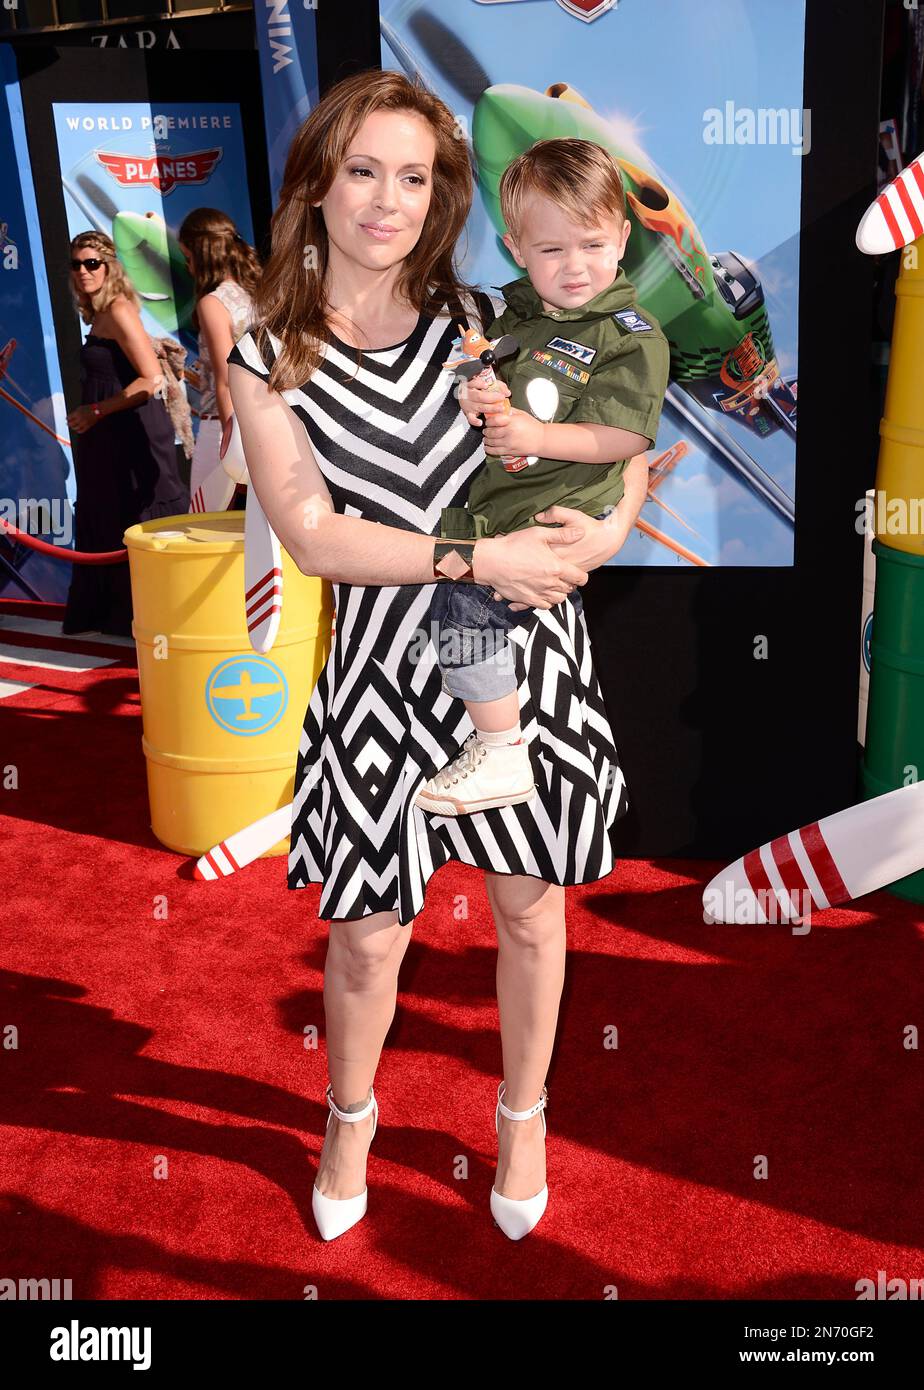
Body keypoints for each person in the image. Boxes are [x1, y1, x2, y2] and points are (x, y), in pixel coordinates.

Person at [228, 69, 649, 1245]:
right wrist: (476, 566)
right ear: (316, 184)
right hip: (380, 661)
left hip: (524, 651)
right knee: (367, 934)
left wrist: (605, 530)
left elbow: (611, 436)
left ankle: (523, 1114)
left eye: (413, 176)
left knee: (529, 908)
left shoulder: (488, 314)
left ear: (442, 193)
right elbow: (310, 535)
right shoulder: (267, 351)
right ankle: (349, 1118)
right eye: (362, 170)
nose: (386, 200)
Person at [417, 138, 670, 816]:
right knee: (462, 619)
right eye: (552, 250)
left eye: (590, 244)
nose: (574, 266)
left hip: (551, 525)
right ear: (515, 248)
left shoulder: (630, 333)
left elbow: (625, 437)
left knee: (462, 615)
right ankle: (508, 752)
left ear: (621, 238)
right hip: (502, 515)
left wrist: (536, 437)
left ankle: (502, 753)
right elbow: (494, 385)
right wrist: (478, 396)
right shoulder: (515, 315)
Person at [63, 232, 189, 636]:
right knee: (107, 512)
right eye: (76, 264)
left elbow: (151, 380)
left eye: (92, 263)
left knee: (137, 518)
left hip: (133, 432)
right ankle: (113, 616)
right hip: (107, 433)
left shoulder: (119, 310)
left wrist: (96, 410)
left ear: (110, 266)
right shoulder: (97, 313)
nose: (83, 271)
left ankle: (153, 615)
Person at [178, 209, 261, 512]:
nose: (188, 267)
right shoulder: (260, 295)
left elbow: (227, 381)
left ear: (202, 254)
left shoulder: (213, 303)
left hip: (223, 428)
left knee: (203, 526)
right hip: (266, 423)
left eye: (187, 257)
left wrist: (231, 440)